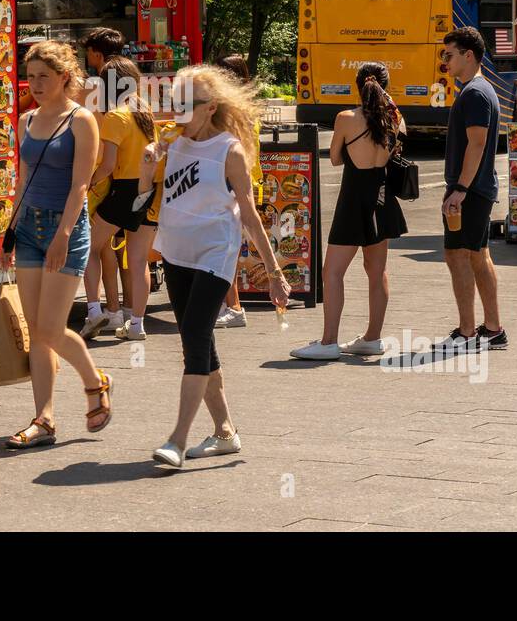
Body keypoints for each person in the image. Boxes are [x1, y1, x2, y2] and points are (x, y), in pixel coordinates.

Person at [138, 65, 289, 468]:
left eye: (187, 104)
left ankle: (177, 439)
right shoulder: (171, 141)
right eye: (175, 102)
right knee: (198, 343)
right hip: (175, 252)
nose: (177, 111)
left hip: (214, 254)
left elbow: (250, 216)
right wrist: (149, 167)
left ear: (211, 108)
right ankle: (225, 432)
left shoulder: (228, 150)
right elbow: (142, 197)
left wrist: (274, 274)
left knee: (194, 334)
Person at [6, 40, 112, 449]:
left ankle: (95, 381)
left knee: (51, 327)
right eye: (30, 76)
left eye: (43, 77)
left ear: (64, 78)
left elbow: (80, 185)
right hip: (29, 228)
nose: (34, 84)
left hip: (65, 227)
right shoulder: (26, 120)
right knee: (37, 331)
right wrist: (10, 231)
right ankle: (44, 419)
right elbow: (22, 179)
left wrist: (63, 236)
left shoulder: (81, 120)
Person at [291, 62, 407, 360]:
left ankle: (329, 341)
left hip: (353, 197)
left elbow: (334, 158)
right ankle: (373, 337)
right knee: (377, 270)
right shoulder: (396, 118)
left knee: (333, 271)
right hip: (382, 198)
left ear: (358, 86)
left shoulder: (345, 118)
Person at [439, 26, 507, 351]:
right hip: (478, 189)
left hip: (471, 190)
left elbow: (477, 144)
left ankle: (467, 333)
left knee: (458, 256)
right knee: (478, 255)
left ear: (469, 55)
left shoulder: (476, 93)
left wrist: (460, 188)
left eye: (449, 55)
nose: (445, 62)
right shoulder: (480, 90)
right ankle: (493, 329)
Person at [81, 57, 156, 341]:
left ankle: (94, 310)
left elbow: (108, 165)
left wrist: (88, 183)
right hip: (148, 190)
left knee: (88, 247)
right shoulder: (144, 112)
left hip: (123, 190)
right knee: (138, 262)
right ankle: (136, 324)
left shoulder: (115, 117)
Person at [77, 26, 127, 332]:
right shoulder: (125, 86)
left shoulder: (89, 86)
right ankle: (114, 310)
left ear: (96, 53)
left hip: (93, 172)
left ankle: (95, 309)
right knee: (106, 246)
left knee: (87, 246)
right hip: (114, 172)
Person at [211, 54, 261, 328]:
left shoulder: (234, 111)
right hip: (240, 180)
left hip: (233, 181)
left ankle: (234, 306)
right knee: (225, 246)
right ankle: (228, 303)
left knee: (225, 247)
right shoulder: (245, 107)